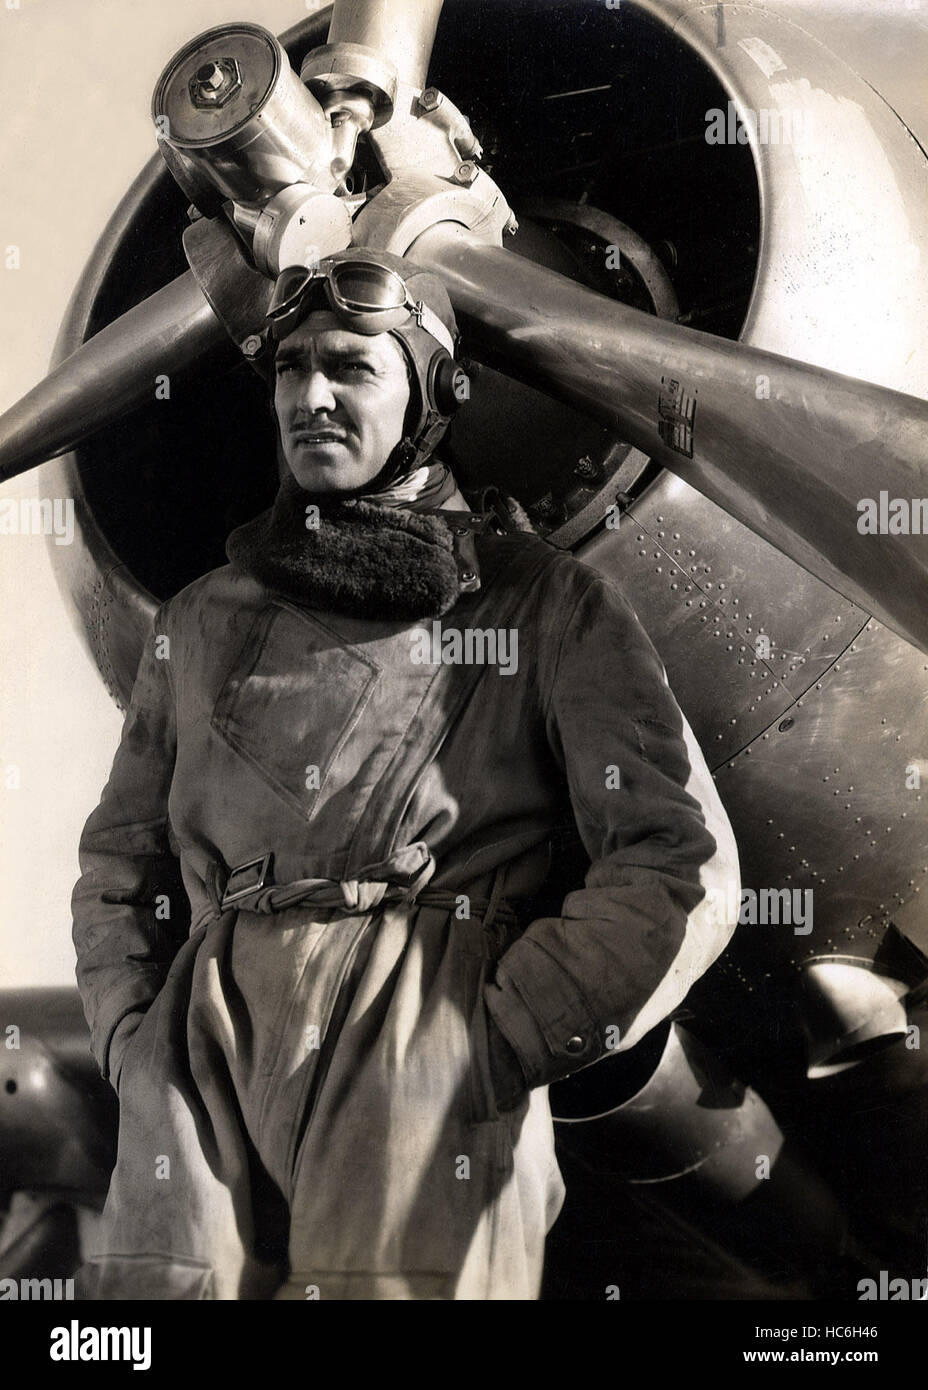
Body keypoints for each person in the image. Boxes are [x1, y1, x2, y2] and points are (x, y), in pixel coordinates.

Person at [71, 246, 740, 1301]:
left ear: (432, 397)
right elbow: (121, 855)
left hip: (421, 1048)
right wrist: (129, 1038)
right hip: (196, 1057)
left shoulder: (540, 603)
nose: (310, 396)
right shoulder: (202, 617)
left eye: (350, 367)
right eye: (290, 369)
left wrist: (495, 1036)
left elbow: (676, 861)